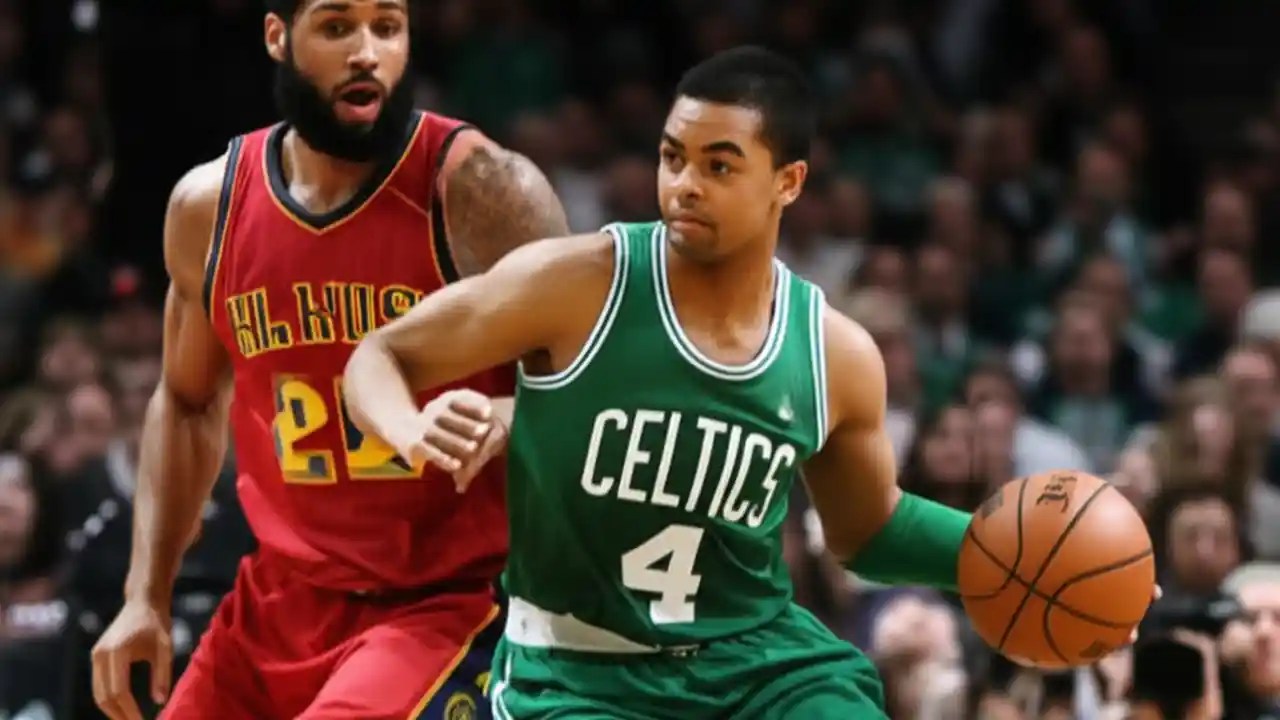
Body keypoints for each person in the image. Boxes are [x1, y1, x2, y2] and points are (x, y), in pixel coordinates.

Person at [342, 46, 974, 719]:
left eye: (719, 165)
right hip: (578, 671)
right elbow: (380, 355)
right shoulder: (579, 284)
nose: (685, 184)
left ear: (787, 183)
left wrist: (1004, 556)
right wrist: (409, 428)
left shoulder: (833, 353)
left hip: (759, 667)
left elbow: (868, 530)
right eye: (673, 158)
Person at [89, 1, 569, 718]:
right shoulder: (208, 206)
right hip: (278, 599)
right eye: (338, 27)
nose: (368, 52)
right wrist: (145, 597)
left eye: (388, 26)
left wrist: (505, 413)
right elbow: (187, 403)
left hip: (448, 603)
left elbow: (597, 391)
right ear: (278, 36)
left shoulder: (482, 190)